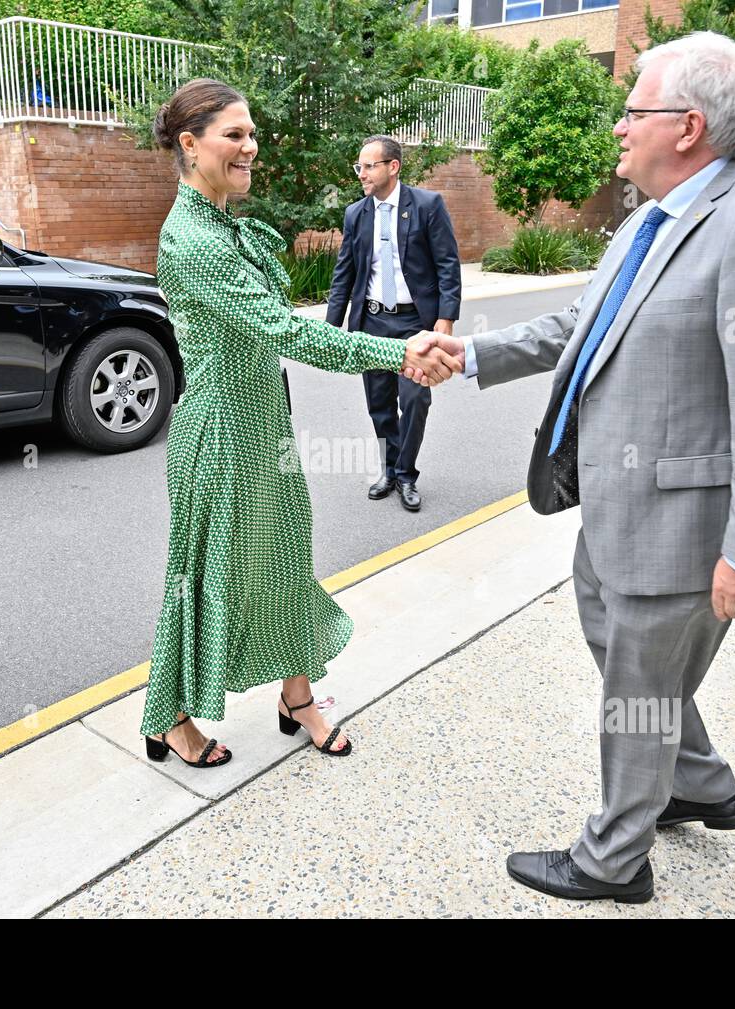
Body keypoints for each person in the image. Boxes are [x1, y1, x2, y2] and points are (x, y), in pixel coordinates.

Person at [416, 32, 735, 902]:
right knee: (632, 668)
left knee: (636, 696)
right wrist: (467, 356)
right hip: (614, 507)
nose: (618, 127)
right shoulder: (654, 215)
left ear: (686, 127)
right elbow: (580, 327)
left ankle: (614, 857)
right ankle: (700, 783)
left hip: (683, 529)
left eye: (633, 111)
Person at [139, 79, 460, 767]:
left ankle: (296, 695)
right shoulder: (194, 239)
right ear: (189, 145)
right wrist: (399, 351)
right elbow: (287, 331)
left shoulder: (221, 221)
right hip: (222, 434)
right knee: (205, 575)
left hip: (264, 425)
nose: (251, 145)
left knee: (286, 561)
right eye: (234, 134)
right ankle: (167, 715)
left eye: (251, 132)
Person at [325, 136, 462, 512]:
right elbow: (345, 273)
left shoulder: (427, 206)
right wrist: (331, 327)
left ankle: (406, 473)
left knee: (416, 398)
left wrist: (445, 319)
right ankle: (389, 469)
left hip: (415, 323)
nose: (361, 174)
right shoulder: (356, 214)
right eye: (359, 167)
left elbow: (448, 264)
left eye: (369, 166)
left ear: (393, 167)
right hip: (371, 321)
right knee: (379, 404)